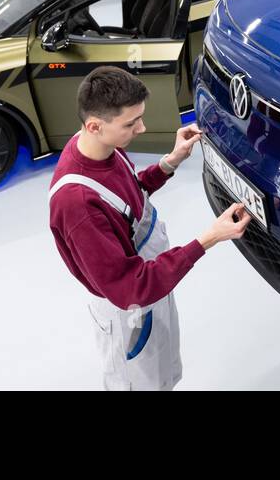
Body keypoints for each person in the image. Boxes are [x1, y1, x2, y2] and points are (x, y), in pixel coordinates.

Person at [48, 65, 250, 390]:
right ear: (95, 125)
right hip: (131, 307)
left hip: (155, 285)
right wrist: (210, 238)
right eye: (131, 123)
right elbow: (132, 288)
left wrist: (170, 162)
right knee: (141, 384)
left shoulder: (102, 148)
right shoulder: (77, 204)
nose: (141, 129)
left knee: (162, 376)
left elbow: (129, 196)